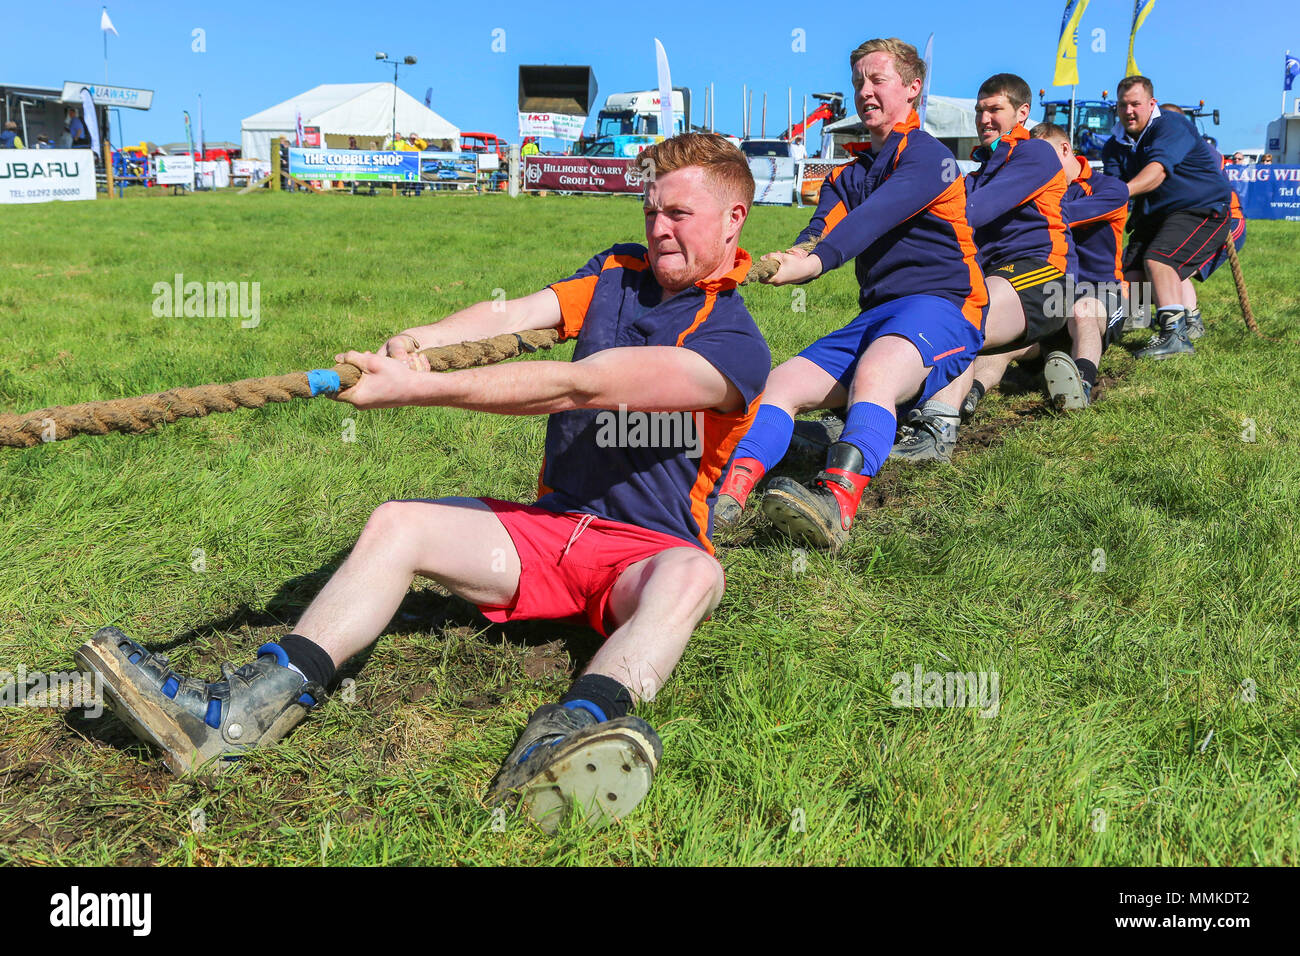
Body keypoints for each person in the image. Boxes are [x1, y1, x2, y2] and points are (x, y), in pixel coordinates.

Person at [74, 133, 772, 833]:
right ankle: (242, 713)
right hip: (551, 534)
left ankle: (571, 737)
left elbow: (582, 388)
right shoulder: (618, 274)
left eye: (678, 214)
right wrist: (422, 340)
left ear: (733, 218)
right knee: (396, 521)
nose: (657, 228)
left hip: (645, 558)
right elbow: (511, 316)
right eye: (650, 209)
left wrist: (416, 391)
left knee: (693, 578)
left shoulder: (735, 346)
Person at [712, 37, 987, 550]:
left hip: (944, 307)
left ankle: (835, 502)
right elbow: (818, 234)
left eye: (877, 79)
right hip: (877, 315)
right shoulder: (847, 174)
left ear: (912, 87)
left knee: (876, 372)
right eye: (858, 81)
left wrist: (813, 263)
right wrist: (782, 260)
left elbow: (865, 224)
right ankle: (726, 495)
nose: (864, 91)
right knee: (779, 385)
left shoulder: (929, 157)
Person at [905, 72, 1082, 445]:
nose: (984, 118)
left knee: (958, 317)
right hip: (1000, 283)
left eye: (994, 109)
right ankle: (877, 411)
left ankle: (936, 431)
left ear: (1022, 113)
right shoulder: (981, 172)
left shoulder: (1035, 153)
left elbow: (971, 212)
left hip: (1046, 278)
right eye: (979, 110)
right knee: (923, 320)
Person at [1102, 76, 1231, 358]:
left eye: (1135, 104)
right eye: (1122, 105)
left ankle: (1175, 336)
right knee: (1126, 274)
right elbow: (1110, 187)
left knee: (1160, 258)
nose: (1128, 111)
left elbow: (1156, 174)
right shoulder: (1114, 144)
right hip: (1155, 218)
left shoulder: (1171, 126)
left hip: (1201, 209)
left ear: (1151, 103)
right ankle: (1108, 324)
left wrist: (1119, 193)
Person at [1026, 123, 1131, 396]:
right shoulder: (1037, 191)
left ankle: (1081, 386)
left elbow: (1063, 216)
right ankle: (966, 397)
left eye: (1043, 157)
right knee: (1011, 329)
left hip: (1102, 293)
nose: (1036, 165)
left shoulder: (1110, 188)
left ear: (1064, 149)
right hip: (1052, 292)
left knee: (1082, 310)